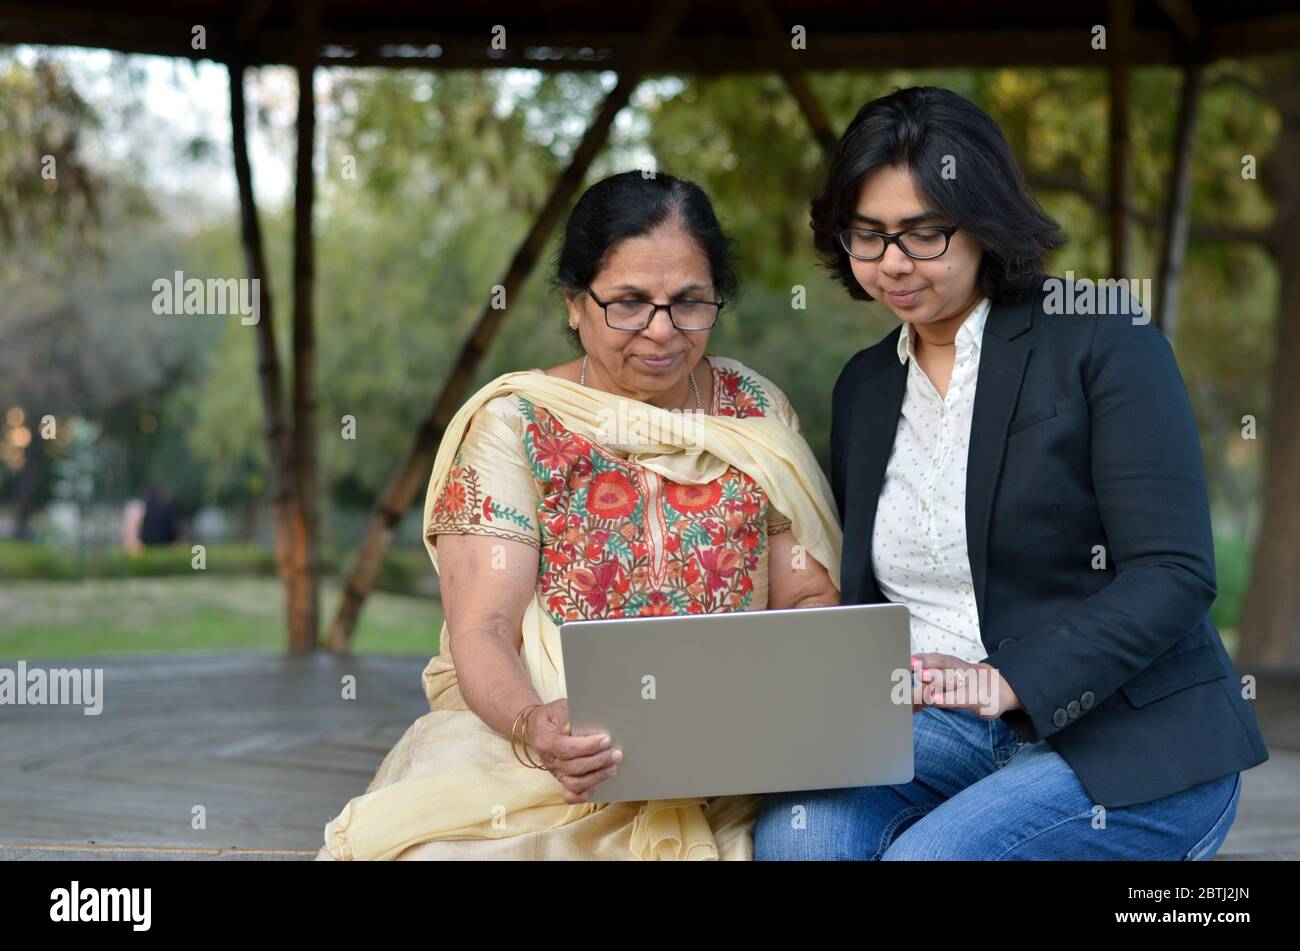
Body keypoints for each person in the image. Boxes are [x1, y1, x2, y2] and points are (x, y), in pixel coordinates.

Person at [755, 86, 1269, 860]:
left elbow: (1174, 571)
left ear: (986, 220)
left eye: (924, 233)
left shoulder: (1103, 339)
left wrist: (1011, 679)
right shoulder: (863, 387)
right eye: (867, 234)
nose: (893, 263)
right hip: (930, 732)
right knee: (798, 842)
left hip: (1127, 735)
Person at [318, 170, 841, 860]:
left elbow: (804, 595)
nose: (662, 331)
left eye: (690, 302)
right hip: (548, 758)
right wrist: (539, 726)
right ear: (574, 302)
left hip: (732, 761)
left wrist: (770, 717)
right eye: (628, 302)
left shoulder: (756, 411)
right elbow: (484, 628)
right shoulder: (517, 424)